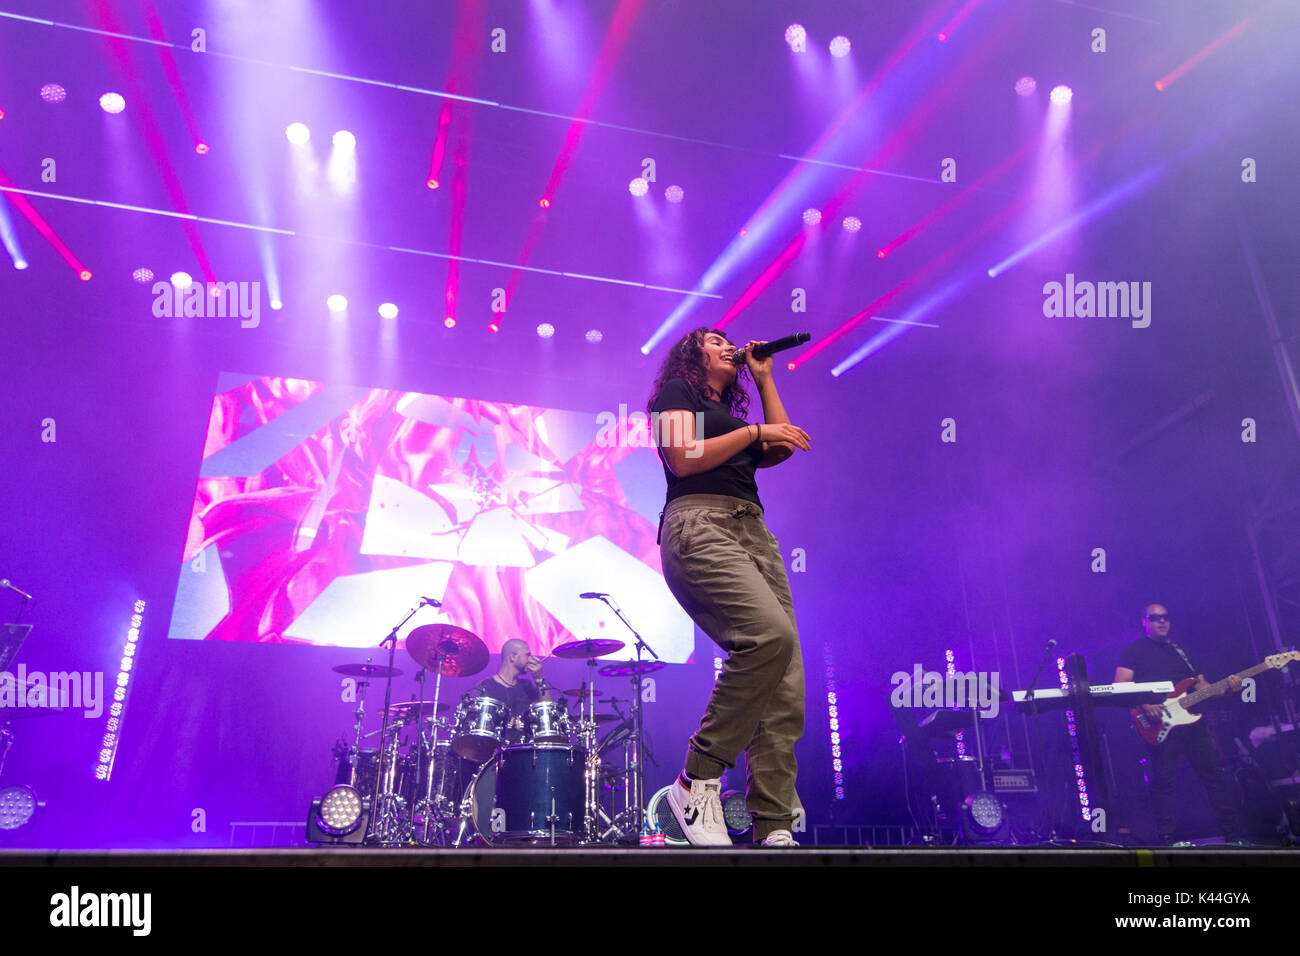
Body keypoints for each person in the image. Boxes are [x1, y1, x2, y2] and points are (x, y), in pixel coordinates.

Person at [648, 327, 811, 847]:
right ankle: (697, 778)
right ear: (692, 356)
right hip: (700, 525)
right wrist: (752, 433)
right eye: (714, 340)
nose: (727, 345)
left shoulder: (738, 419)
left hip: (753, 531)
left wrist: (764, 380)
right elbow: (683, 457)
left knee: (784, 676)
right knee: (769, 637)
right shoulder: (678, 392)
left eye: (728, 341)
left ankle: (775, 825)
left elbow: (780, 445)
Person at [1114, 603, 1244, 845]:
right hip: (1159, 724)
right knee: (1164, 782)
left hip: (1192, 722)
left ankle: (1234, 836)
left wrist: (1229, 689)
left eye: (1165, 617)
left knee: (1214, 775)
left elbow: (1203, 686)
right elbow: (1120, 685)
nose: (1162, 621)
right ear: (1144, 621)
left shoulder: (1181, 651)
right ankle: (1166, 840)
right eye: (1155, 618)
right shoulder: (1134, 650)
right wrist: (1143, 703)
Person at [469, 638, 554, 731]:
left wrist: (539, 679)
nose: (531, 659)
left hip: (526, 744)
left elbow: (548, 710)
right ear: (513, 656)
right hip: (497, 744)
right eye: (527, 655)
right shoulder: (486, 687)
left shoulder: (527, 686)